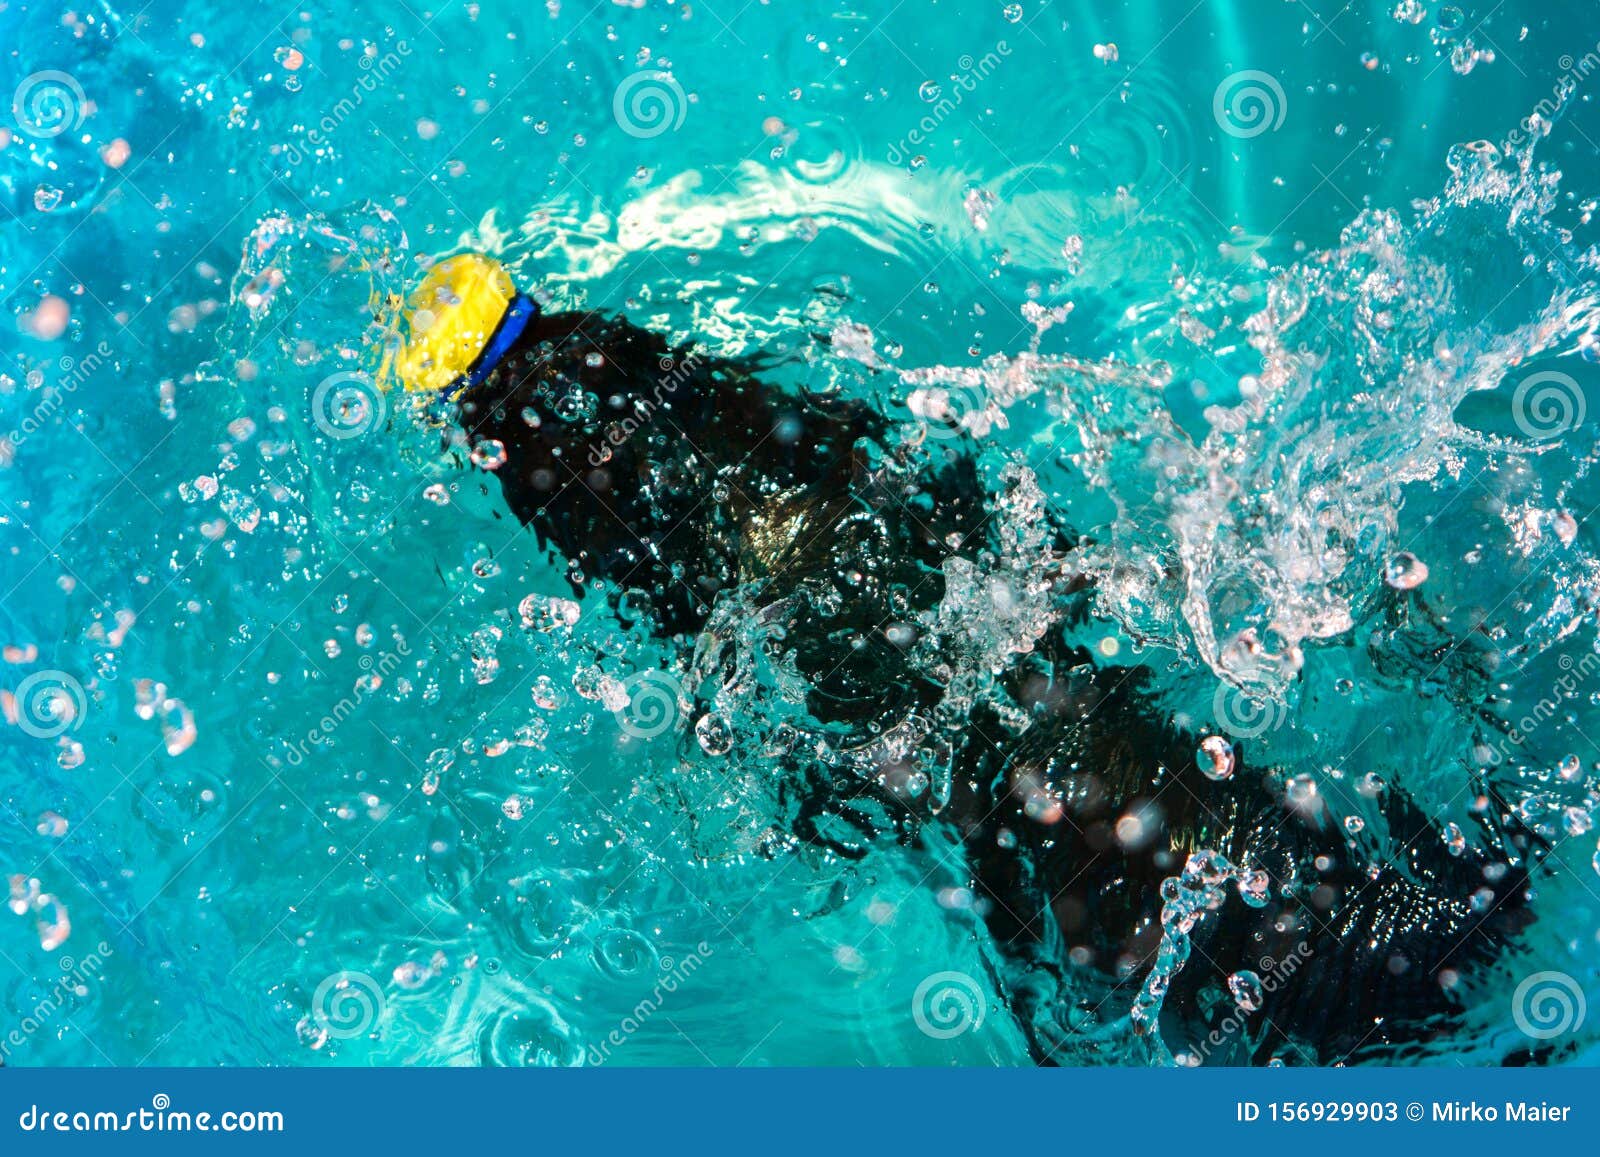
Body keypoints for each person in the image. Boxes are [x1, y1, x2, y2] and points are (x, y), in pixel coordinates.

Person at [387, 253, 1544, 1065]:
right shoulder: (832, 485)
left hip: (1119, 836)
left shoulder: (1437, 911)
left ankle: (510, 382)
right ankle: (514, 385)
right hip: (1183, 867)